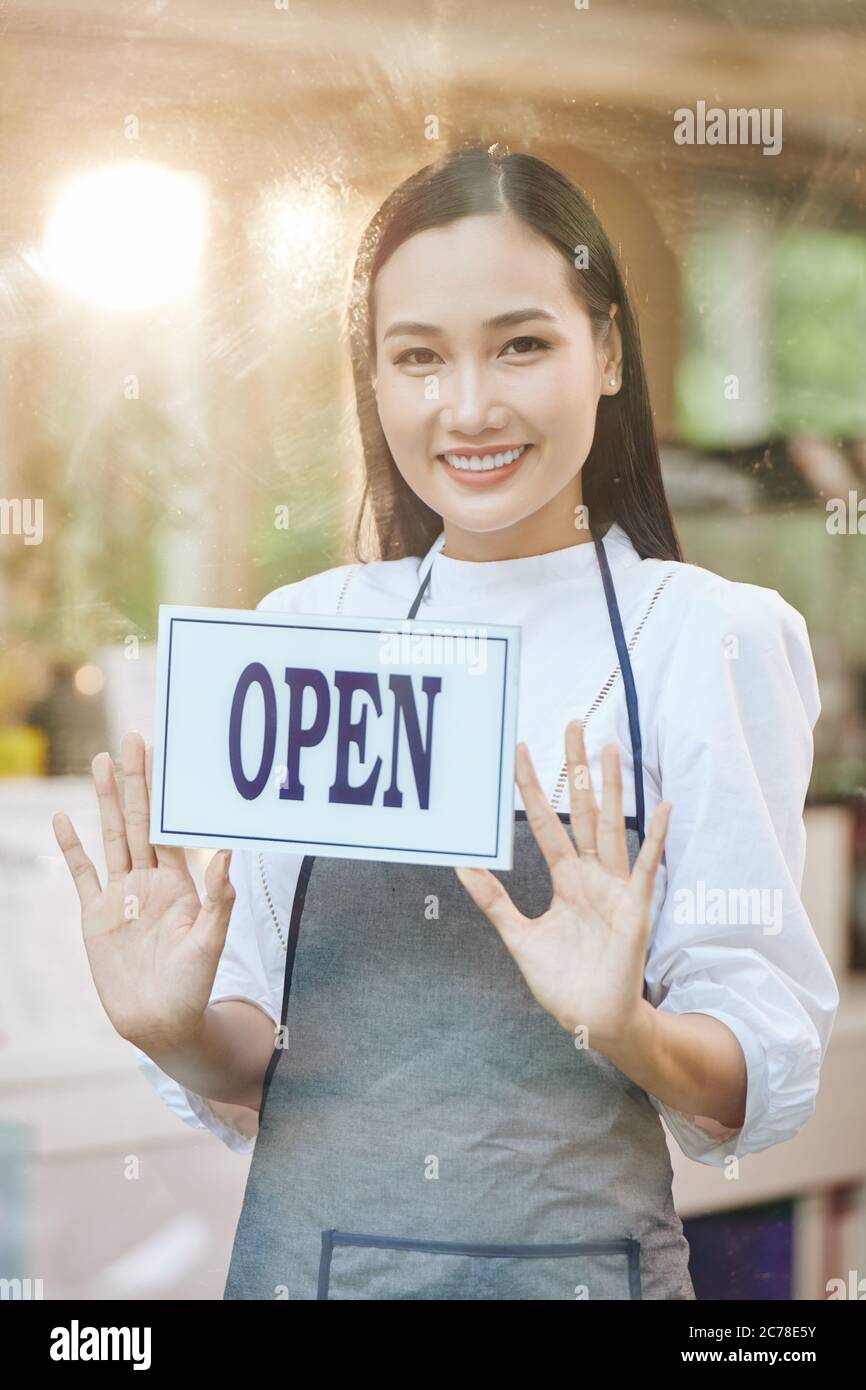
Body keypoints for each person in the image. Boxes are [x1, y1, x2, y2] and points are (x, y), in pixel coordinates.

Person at [52, 146, 839, 1301]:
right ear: (371, 379)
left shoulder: (707, 635)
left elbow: (745, 1078)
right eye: (416, 357)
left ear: (607, 350)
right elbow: (254, 1055)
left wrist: (624, 1027)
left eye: (521, 343)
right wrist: (169, 1026)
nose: (466, 407)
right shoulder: (302, 630)